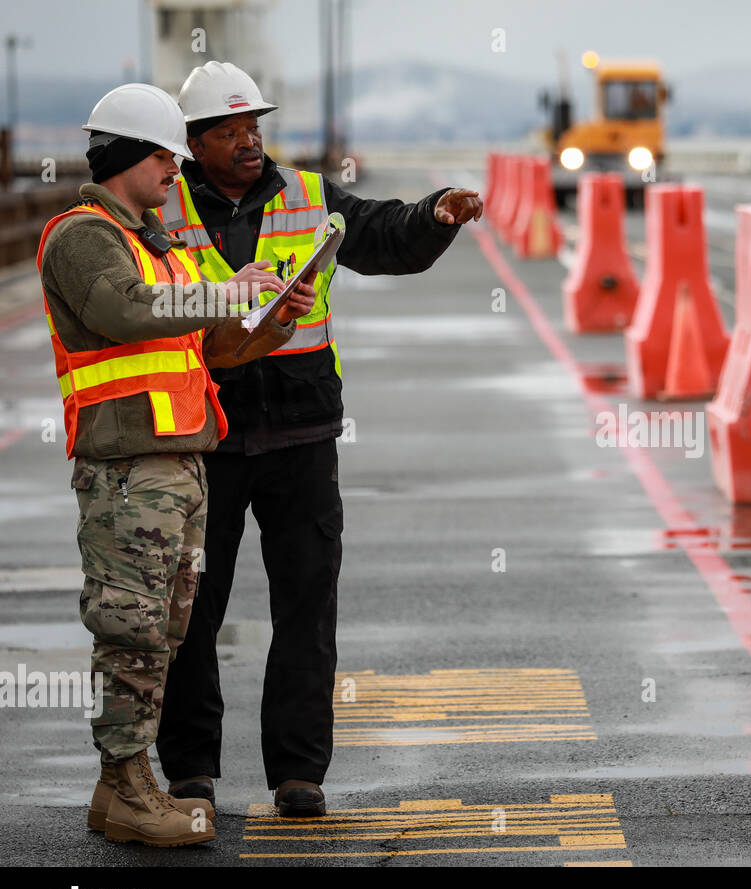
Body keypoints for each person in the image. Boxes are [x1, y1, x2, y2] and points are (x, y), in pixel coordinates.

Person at [155, 61, 483, 817]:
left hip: (301, 437)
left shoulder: (307, 196)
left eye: (255, 129)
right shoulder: (162, 211)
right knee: (193, 610)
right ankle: (190, 772)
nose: (249, 143)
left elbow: (378, 232)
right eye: (230, 132)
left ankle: (299, 774)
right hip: (204, 435)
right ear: (193, 144)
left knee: (305, 607)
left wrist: (434, 214)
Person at [37, 83, 315, 847]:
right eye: (167, 156)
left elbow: (206, 350)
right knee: (129, 626)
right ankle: (125, 784)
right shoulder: (82, 236)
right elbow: (122, 313)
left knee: (165, 629)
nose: (176, 170)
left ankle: (129, 785)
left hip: (180, 461)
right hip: (127, 466)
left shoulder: (154, 242)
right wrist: (224, 291)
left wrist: (263, 318)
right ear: (129, 155)